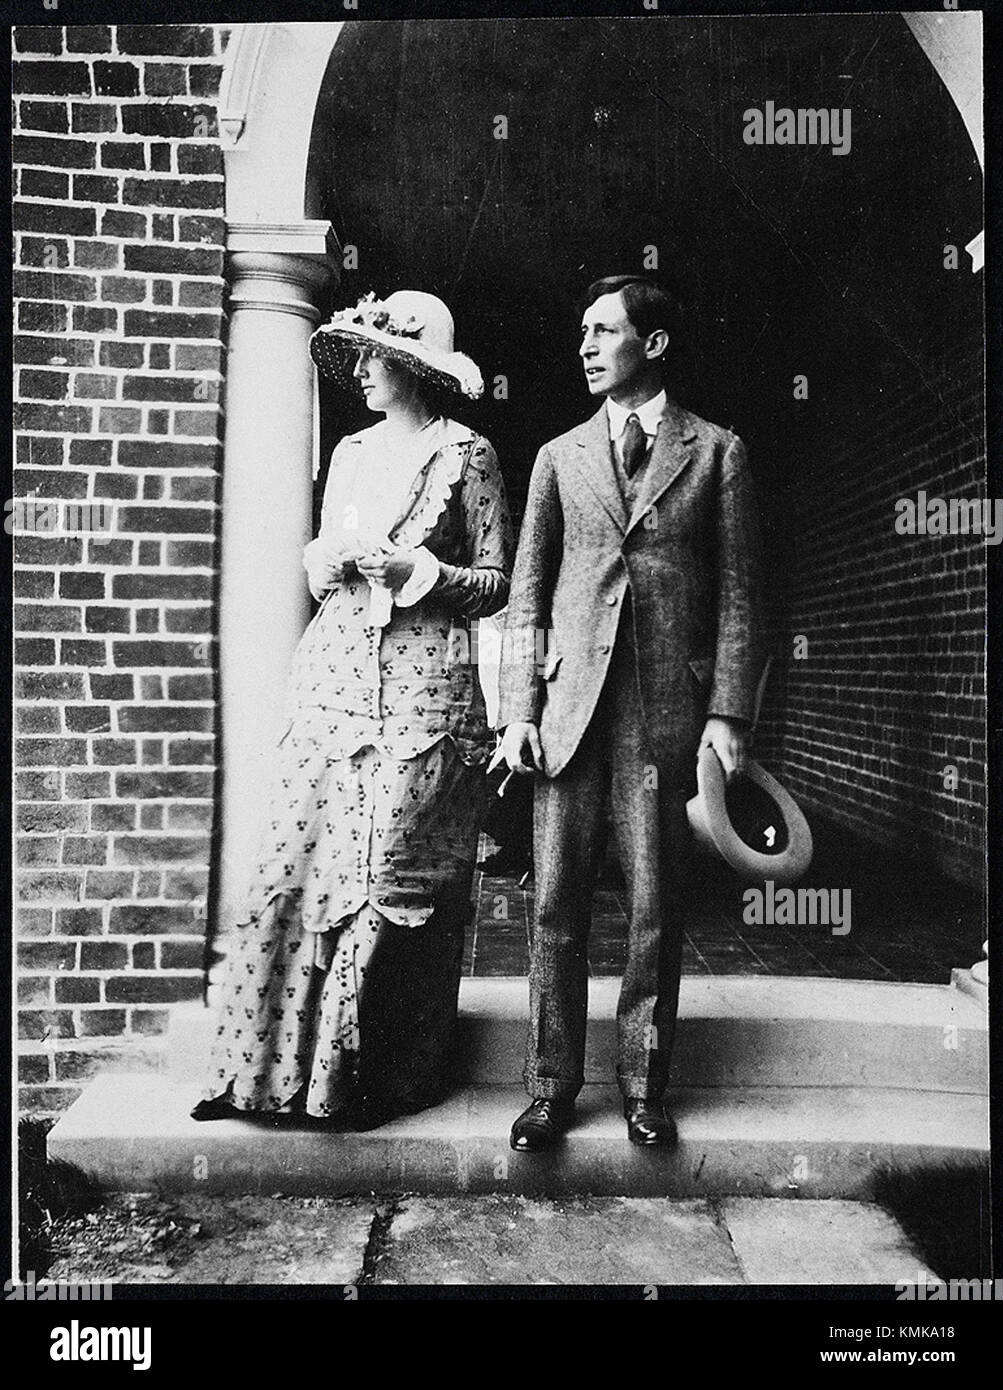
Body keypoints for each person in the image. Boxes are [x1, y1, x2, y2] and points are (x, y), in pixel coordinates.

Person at [193, 290, 512, 1131]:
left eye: (374, 357)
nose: (362, 371)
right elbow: (322, 568)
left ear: (411, 367)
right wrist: (331, 558)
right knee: (297, 852)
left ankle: (364, 1082)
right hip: (335, 672)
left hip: (423, 686)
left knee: (386, 870)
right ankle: (257, 1077)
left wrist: (421, 570)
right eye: (361, 356)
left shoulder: (467, 455)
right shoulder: (350, 451)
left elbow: (497, 580)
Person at [498, 274, 763, 1151]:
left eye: (602, 331)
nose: (582, 345)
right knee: (555, 905)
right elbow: (526, 595)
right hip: (568, 711)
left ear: (651, 345)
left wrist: (726, 714)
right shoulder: (557, 456)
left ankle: (645, 1089)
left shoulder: (715, 451)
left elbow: (737, 594)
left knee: (655, 905)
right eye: (580, 330)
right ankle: (549, 1088)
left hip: (662, 717)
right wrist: (517, 709)